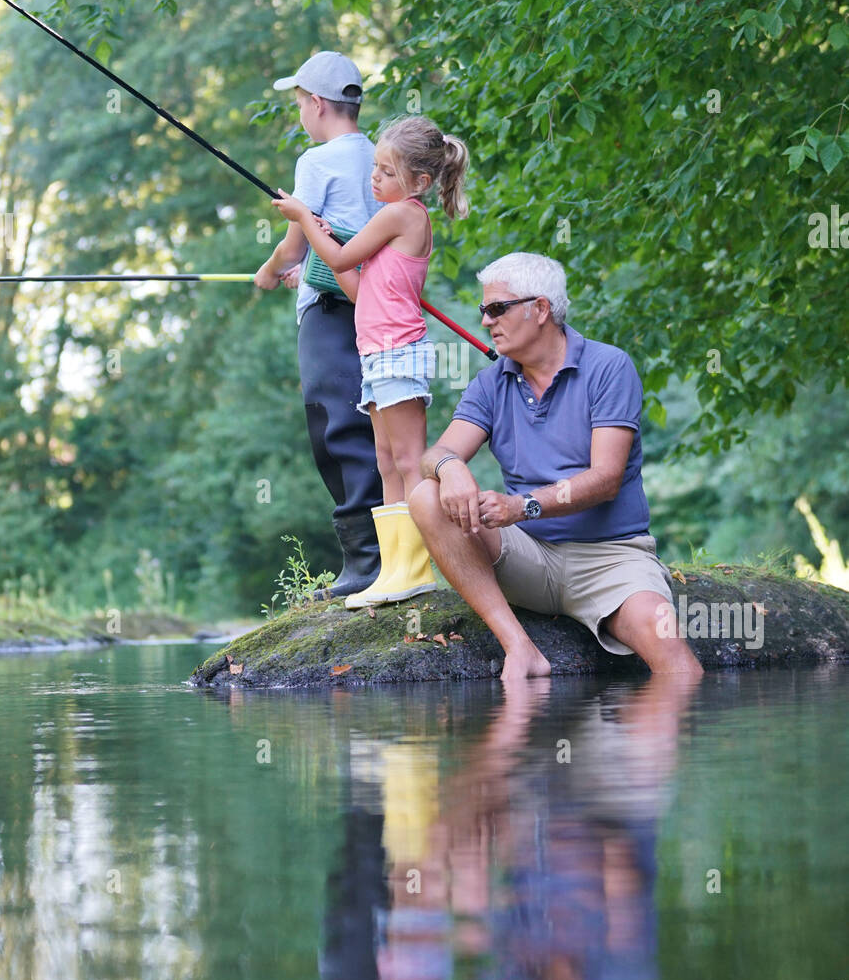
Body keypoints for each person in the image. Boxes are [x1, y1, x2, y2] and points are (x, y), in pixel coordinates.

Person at [409, 252, 704, 683]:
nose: (487, 321)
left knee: (680, 672)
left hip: (612, 561)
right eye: (483, 311)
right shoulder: (490, 383)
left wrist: (520, 507)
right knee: (426, 495)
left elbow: (605, 480)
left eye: (497, 309)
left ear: (541, 308)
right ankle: (521, 648)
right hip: (526, 558)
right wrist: (451, 467)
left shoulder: (609, 367)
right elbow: (433, 455)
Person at [272, 115, 469, 608]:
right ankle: (393, 569)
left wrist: (303, 219)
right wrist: (319, 248)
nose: (373, 178)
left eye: (384, 171)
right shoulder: (391, 222)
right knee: (385, 462)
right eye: (374, 168)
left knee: (408, 461)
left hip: (399, 354)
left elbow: (341, 258)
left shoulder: (402, 215)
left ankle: (419, 568)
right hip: (376, 355)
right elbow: (358, 289)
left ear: (419, 182)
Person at [254, 51, 383, 598]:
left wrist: (270, 270)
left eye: (301, 103)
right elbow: (348, 240)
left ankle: (365, 564)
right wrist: (304, 272)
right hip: (370, 307)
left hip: (329, 317)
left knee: (335, 429)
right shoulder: (378, 156)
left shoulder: (316, 160)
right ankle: (383, 554)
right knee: (366, 422)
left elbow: (298, 241)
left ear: (318, 104)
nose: (300, 114)